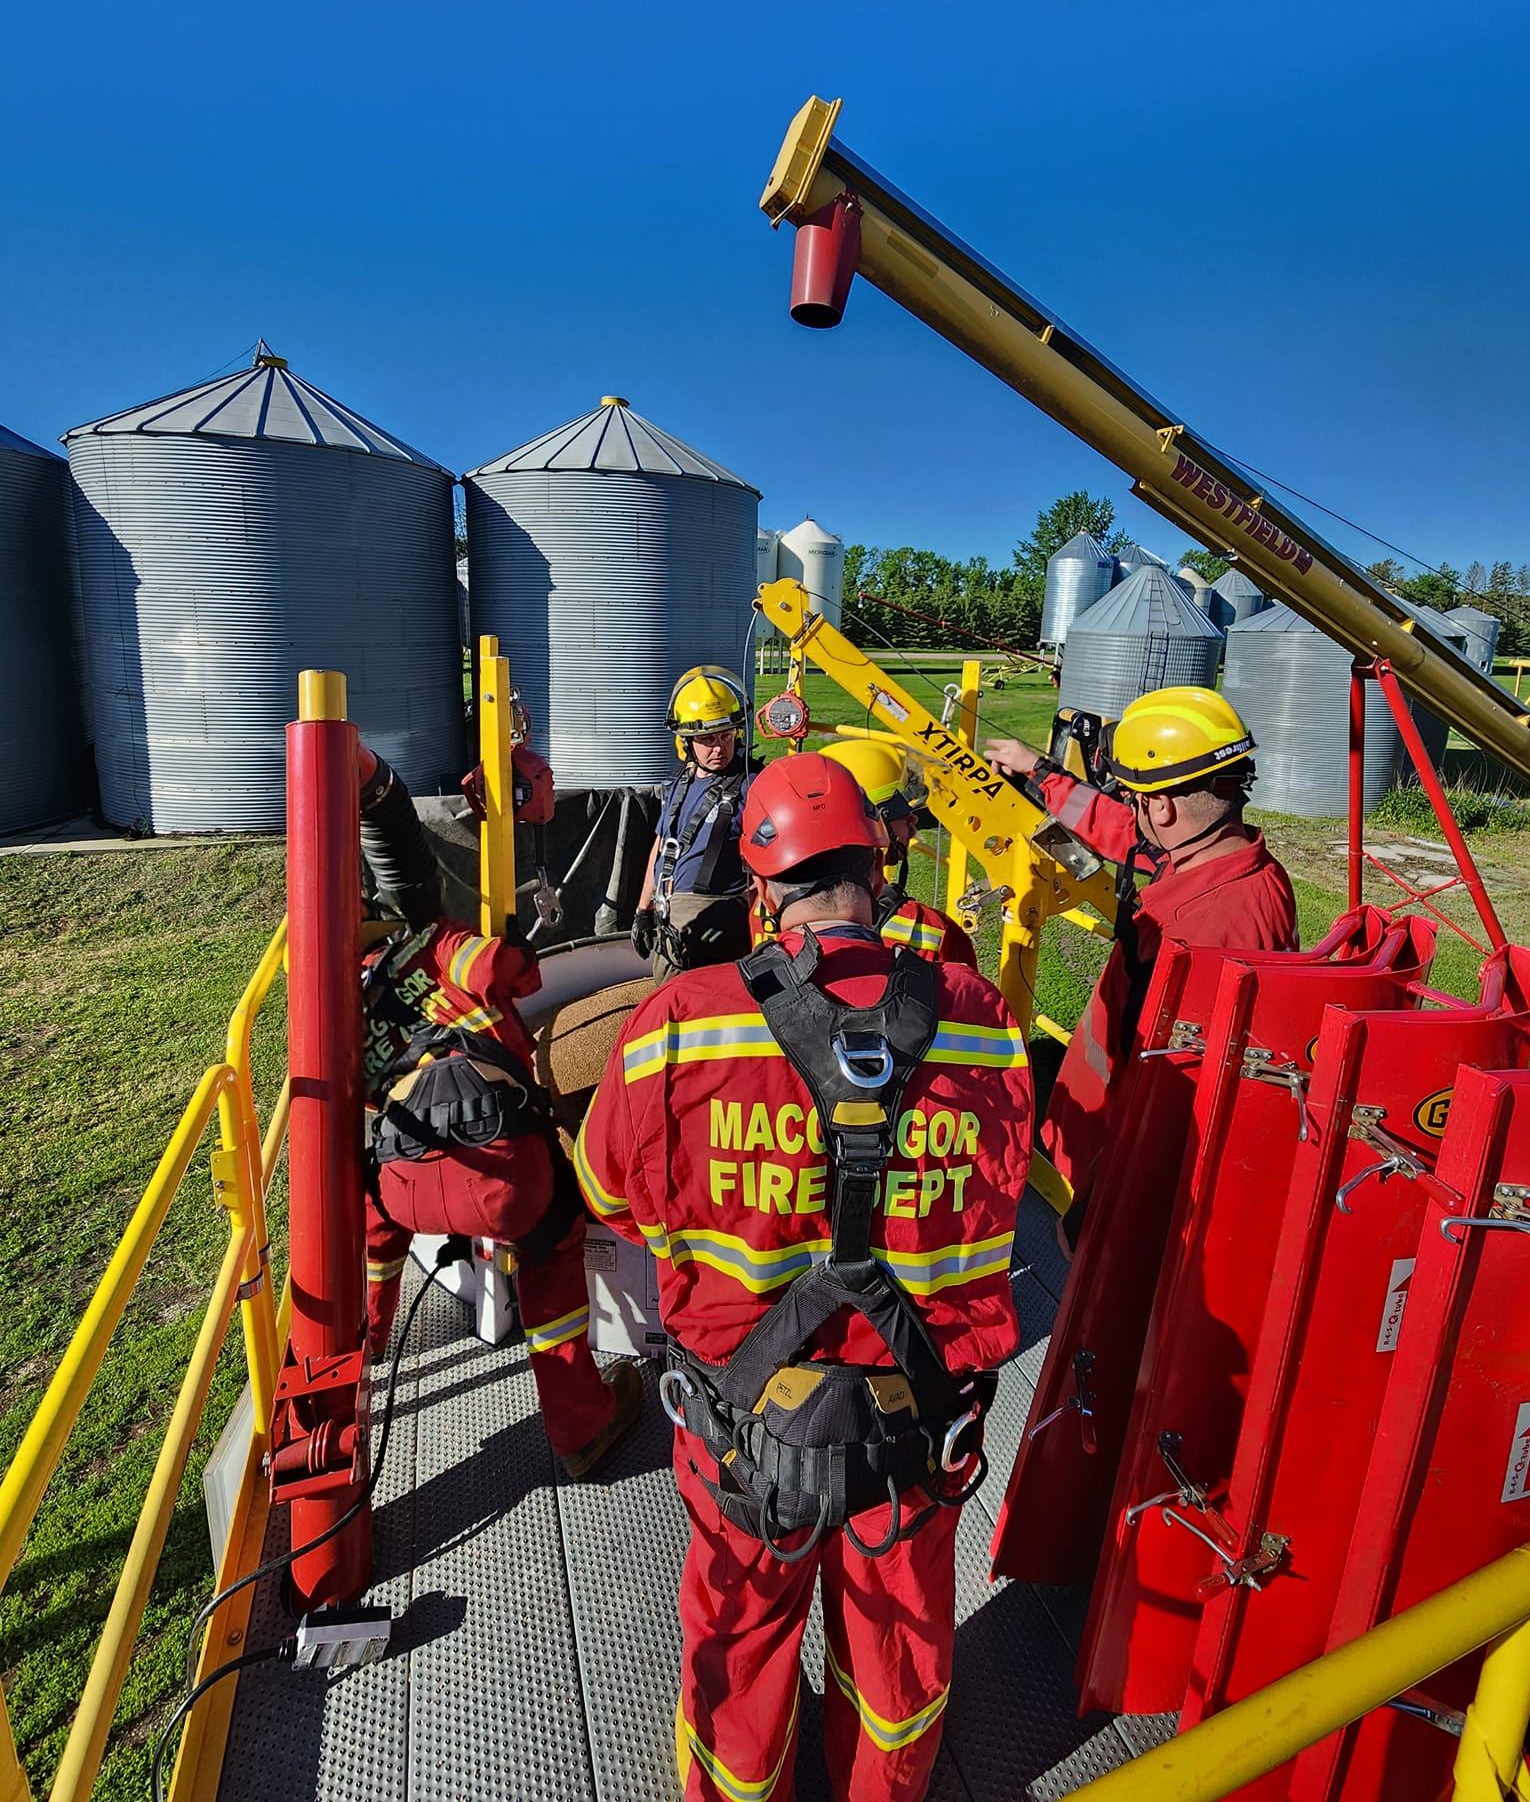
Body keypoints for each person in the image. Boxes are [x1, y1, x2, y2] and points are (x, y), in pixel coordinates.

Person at [578, 752, 1035, 1802]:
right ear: (880, 870)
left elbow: (606, 1188)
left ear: (759, 890)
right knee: (899, 1653)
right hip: (916, 1430)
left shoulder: (680, 1021)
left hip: (742, 1432)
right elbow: (1003, 1190)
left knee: (739, 1650)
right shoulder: (985, 1021)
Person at [357, 743, 642, 1479]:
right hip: (505, 1170)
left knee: (370, 1228)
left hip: (404, 1179)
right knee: (554, 1252)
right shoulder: (433, 945)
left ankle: (362, 1354)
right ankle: (581, 1425)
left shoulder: (337, 1005)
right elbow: (516, 971)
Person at [985, 686, 1296, 1233]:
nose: (1129, 808)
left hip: (1111, 1163)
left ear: (1164, 804)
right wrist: (1039, 772)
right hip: (1094, 1133)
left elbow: (1176, 1094)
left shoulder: (1199, 934)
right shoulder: (1231, 862)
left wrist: (1101, 1203)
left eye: (1133, 796)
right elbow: (1118, 829)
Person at [632, 666, 754, 980]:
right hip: (668, 922)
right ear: (686, 741)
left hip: (718, 926)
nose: (719, 747)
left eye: (727, 735)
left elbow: (773, 859)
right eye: (707, 738)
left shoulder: (752, 786)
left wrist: (743, 904)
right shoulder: (678, 783)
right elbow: (661, 846)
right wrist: (642, 911)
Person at [821, 735, 978, 969]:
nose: (913, 820)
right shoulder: (928, 929)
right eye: (903, 814)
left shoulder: (764, 906)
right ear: (876, 821)